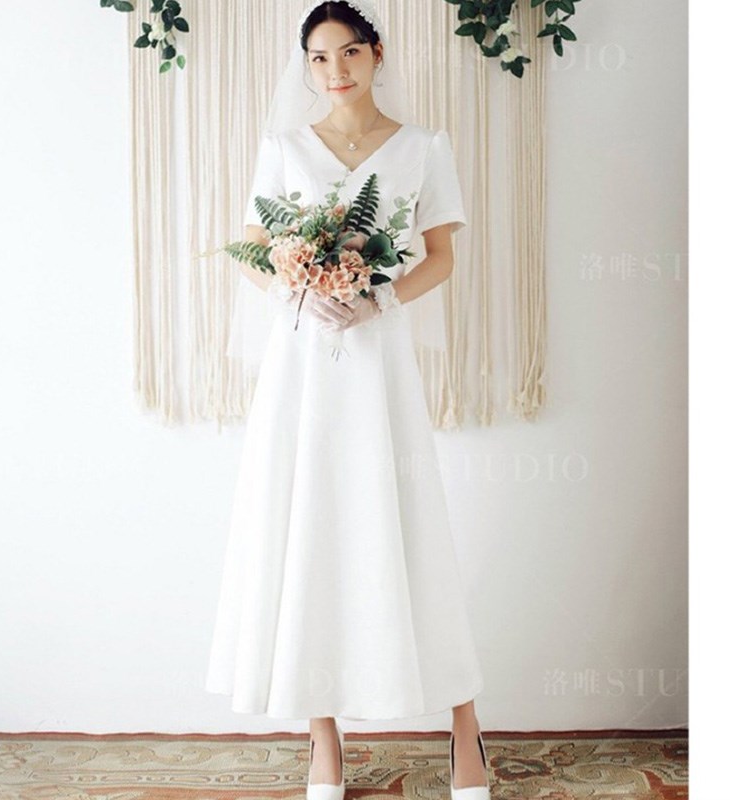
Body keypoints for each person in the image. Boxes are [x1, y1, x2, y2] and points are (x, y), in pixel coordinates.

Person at [205, 2, 491, 798]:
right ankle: (323, 738)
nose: (336, 70)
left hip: (378, 359)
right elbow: (253, 252)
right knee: (308, 525)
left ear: (377, 53)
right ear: (306, 66)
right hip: (303, 363)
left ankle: (466, 724)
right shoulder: (284, 147)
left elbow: (440, 257)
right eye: (320, 57)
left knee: (407, 521)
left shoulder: (425, 147)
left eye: (350, 52)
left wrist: (378, 301)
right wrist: (299, 286)